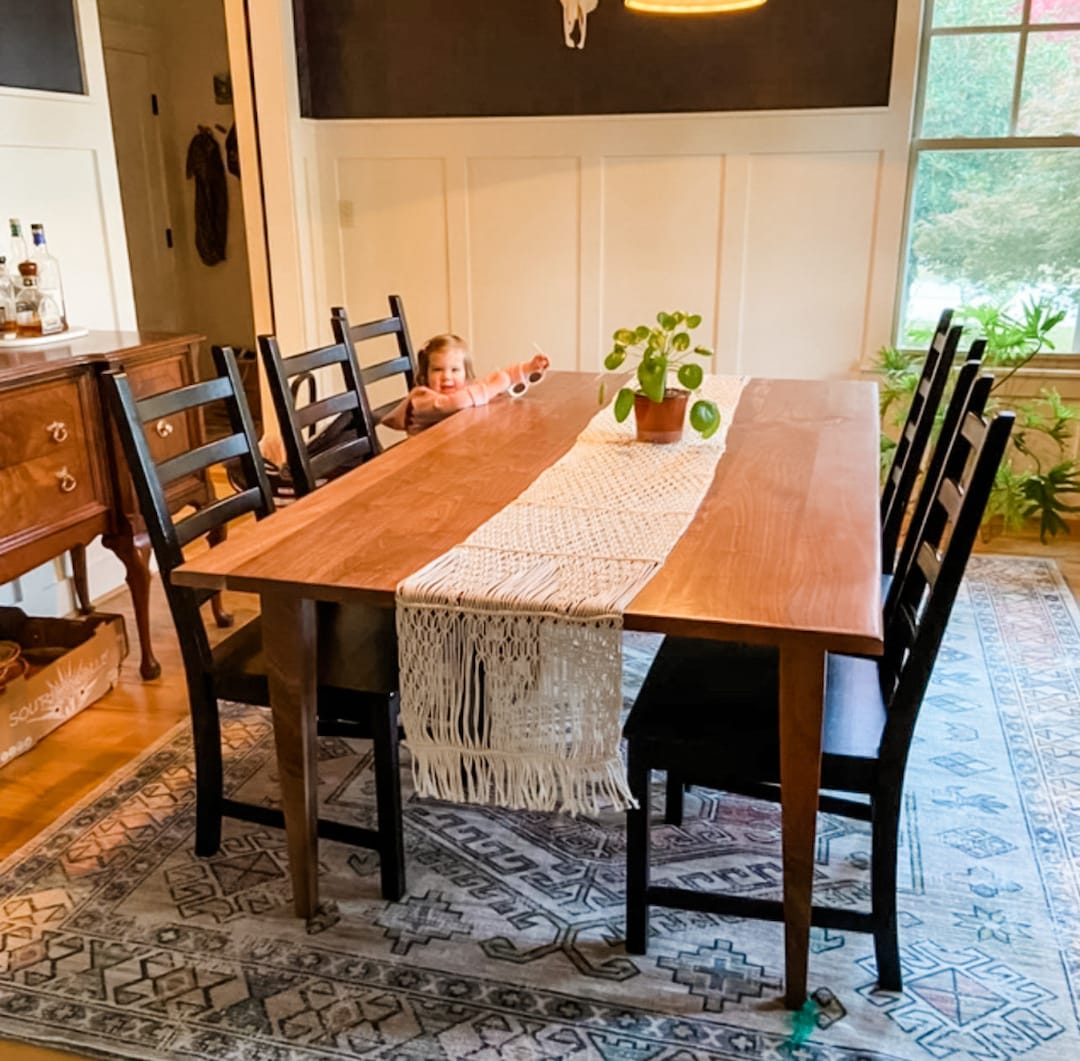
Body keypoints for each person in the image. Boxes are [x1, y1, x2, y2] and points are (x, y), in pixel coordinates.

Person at [382, 334, 549, 435]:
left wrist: (528, 368)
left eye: (455, 370)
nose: (446, 377)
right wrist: (494, 386)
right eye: (437, 370)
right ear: (425, 374)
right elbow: (453, 403)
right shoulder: (422, 399)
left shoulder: (463, 389)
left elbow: (489, 381)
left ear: (465, 373)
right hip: (421, 462)